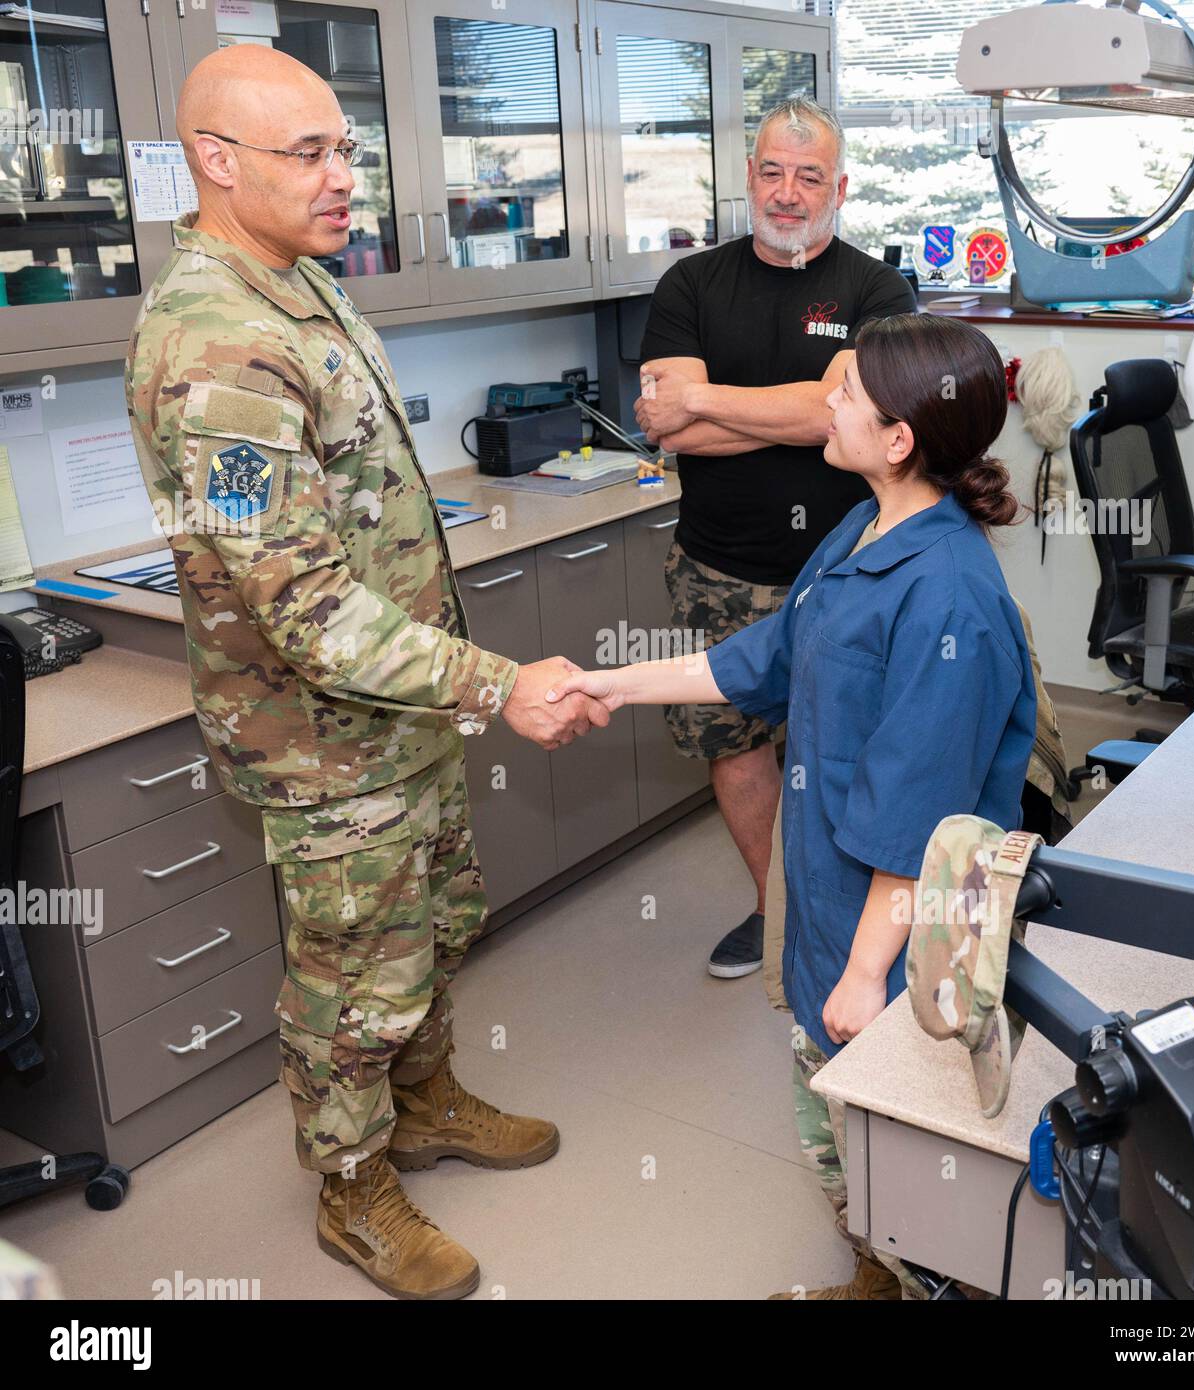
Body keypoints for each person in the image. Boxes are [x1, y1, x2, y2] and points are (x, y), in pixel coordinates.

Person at [124, 45, 609, 1301]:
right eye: (313, 154)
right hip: (323, 741)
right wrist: (498, 682)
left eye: (349, 149)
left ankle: (428, 1103)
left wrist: (453, 688)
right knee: (352, 974)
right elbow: (304, 610)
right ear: (217, 164)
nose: (348, 177)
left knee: (431, 926)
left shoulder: (295, 284)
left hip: (395, 721)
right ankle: (353, 1189)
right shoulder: (219, 344)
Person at [547, 313, 1037, 1299]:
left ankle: (913, 1276)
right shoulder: (866, 527)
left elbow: (923, 822)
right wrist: (610, 684)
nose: (829, 401)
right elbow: (756, 663)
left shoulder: (945, 598)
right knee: (843, 1133)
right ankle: (875, 1273)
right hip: (828, 893)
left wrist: (862, 977)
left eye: (846, 390)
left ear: (899, 438)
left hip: (895, 942)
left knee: (903, 1148)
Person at [636, 96, 916, 981]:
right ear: (747, 177)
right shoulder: (691, 285)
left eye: (808, 176)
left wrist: (707, 400)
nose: (787, 193)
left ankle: (860, 929)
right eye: (771, 171)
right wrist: (805, 408)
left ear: (840, 186)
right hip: (718, 566)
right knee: (737, 747)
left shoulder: (877, 291)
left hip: (851, 568)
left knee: (861, 753)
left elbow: (844, 413)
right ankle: (776, 911)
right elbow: (671, 432)